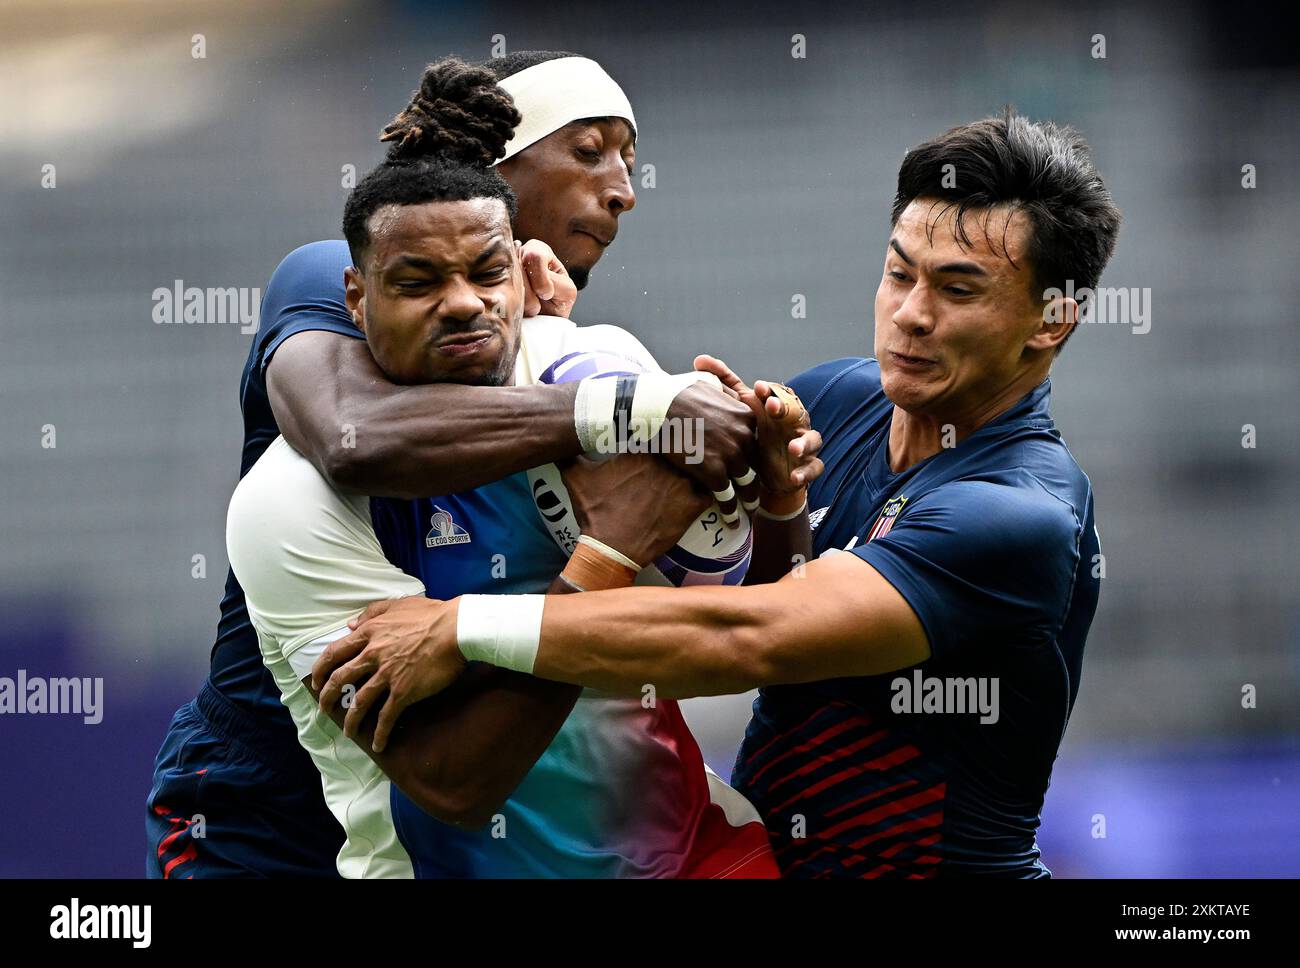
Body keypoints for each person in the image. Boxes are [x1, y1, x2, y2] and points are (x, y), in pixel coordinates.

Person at [314, 111, 1122, 878]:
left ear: (1051, 320)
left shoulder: (1018, 511)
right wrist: (549, 348)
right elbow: (704, 567)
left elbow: (745, 637)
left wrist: (464, 627)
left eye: (958, 290)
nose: (910, 315)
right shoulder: (836, 401)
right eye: (898, 273)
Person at [147, 52, 757, 878]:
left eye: (629, 159)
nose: (622, 188)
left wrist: (767, 489)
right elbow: (355, 438)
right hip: (276, 782)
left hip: (488, 780)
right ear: (493, 163)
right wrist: (640, 414)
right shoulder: (328, 271)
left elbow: (708, 602)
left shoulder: (574, 347)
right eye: (588, 150)